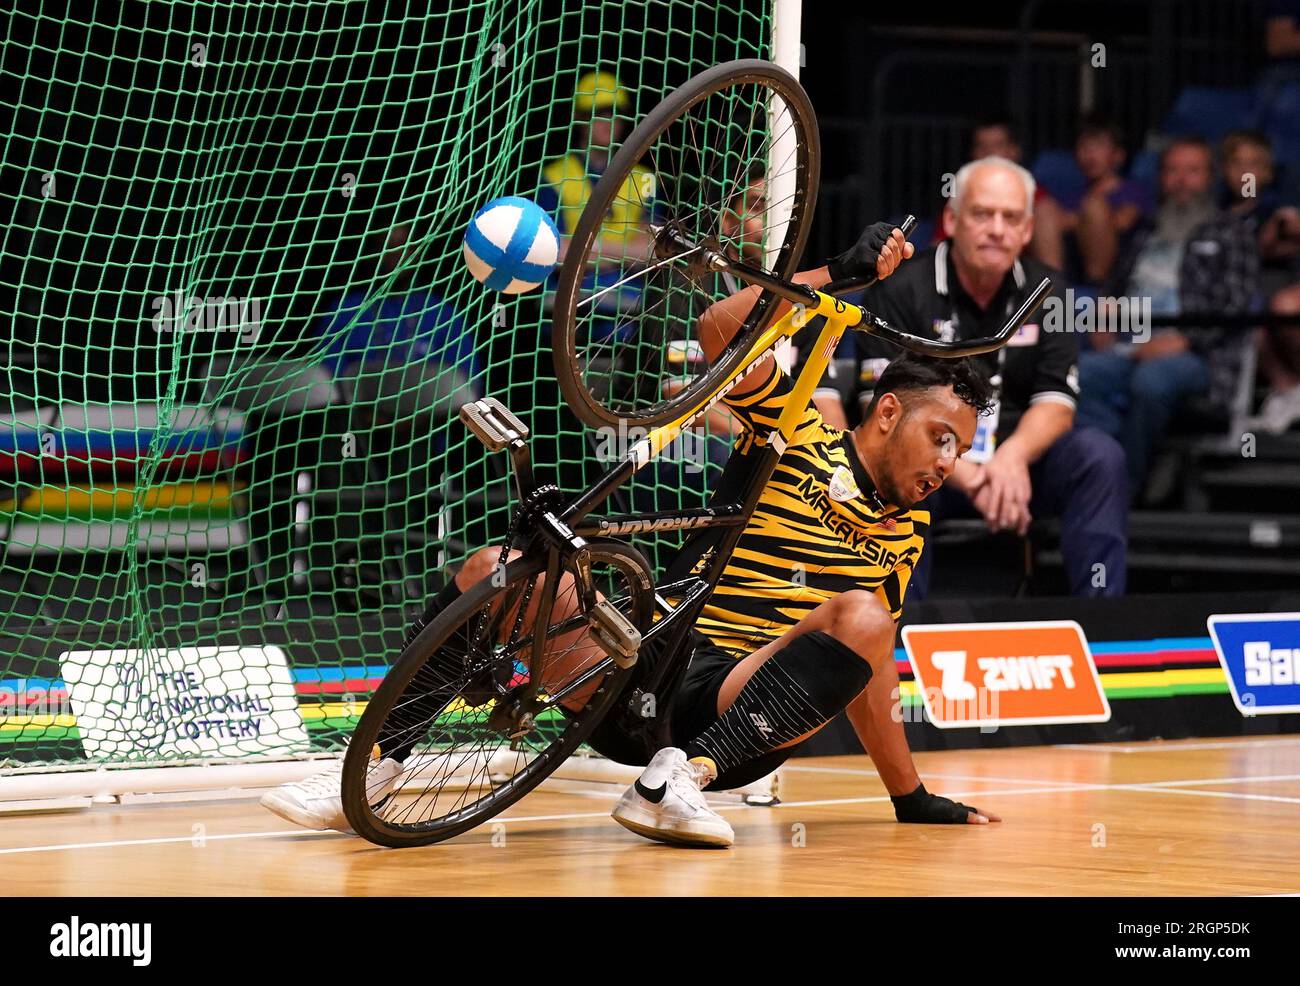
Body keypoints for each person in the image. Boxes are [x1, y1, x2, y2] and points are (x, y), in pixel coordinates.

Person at [261, 223, 1005, 847]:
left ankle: (679, 783)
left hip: (725, 721)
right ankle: (372, 765)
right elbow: (720, 329)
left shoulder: (907, 534)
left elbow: (871, 675)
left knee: (869, 619)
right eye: (940, 437)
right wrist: (838, 276)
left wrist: (910, 798)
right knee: (499, 565)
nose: (948, 463)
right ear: (885, 416)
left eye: (961, 451)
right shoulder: (799, 430)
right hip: (633, 673)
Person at [814, 157, 1128, 598]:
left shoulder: (1050, 291)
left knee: (1100, 456)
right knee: (898, 464)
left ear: (1027, 229)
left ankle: (1102, 625)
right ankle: (899, 636)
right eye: (983, 214)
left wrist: (1011, 458)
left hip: (1018, 469)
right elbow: (881, 406)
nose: (997, 229)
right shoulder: (901, 287)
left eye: (1011, 218)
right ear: (952, 220)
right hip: (931, 467)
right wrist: (968, 473)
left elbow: (1057, 403)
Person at [1076, 137, 1260, 491]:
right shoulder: (1145, 231)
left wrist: (1184, 339)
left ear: (1211, 178)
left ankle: (1124, 487)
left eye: (1192, 171)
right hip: (1132, 345)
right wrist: (1101, 314)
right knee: (1077, 377)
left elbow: (1235, 307)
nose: (1181, 180)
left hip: (1198, 355)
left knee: (1152, 382)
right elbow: (1113, 287)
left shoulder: (1231, 233)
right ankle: (1113, 460)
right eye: (1172, 170)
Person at [1057, 115, 1152, 287]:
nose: (1090, 155)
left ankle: (1096, 288)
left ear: (1118, 155)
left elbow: (1121, 222)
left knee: (1094, 206)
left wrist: (1083, 220)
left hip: (1117, 272)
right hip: (1074, 269)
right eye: (1084, 147)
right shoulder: (1072, 196)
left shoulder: (1132, 191)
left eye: (1098, 147)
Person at [967, 117, 1066, 269]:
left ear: (1014, 151)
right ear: (973, 154)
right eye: (982, 147)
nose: (989, 154)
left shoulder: (1034, 198)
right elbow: (939, 252)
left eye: (997, 146)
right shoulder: (961, 198)